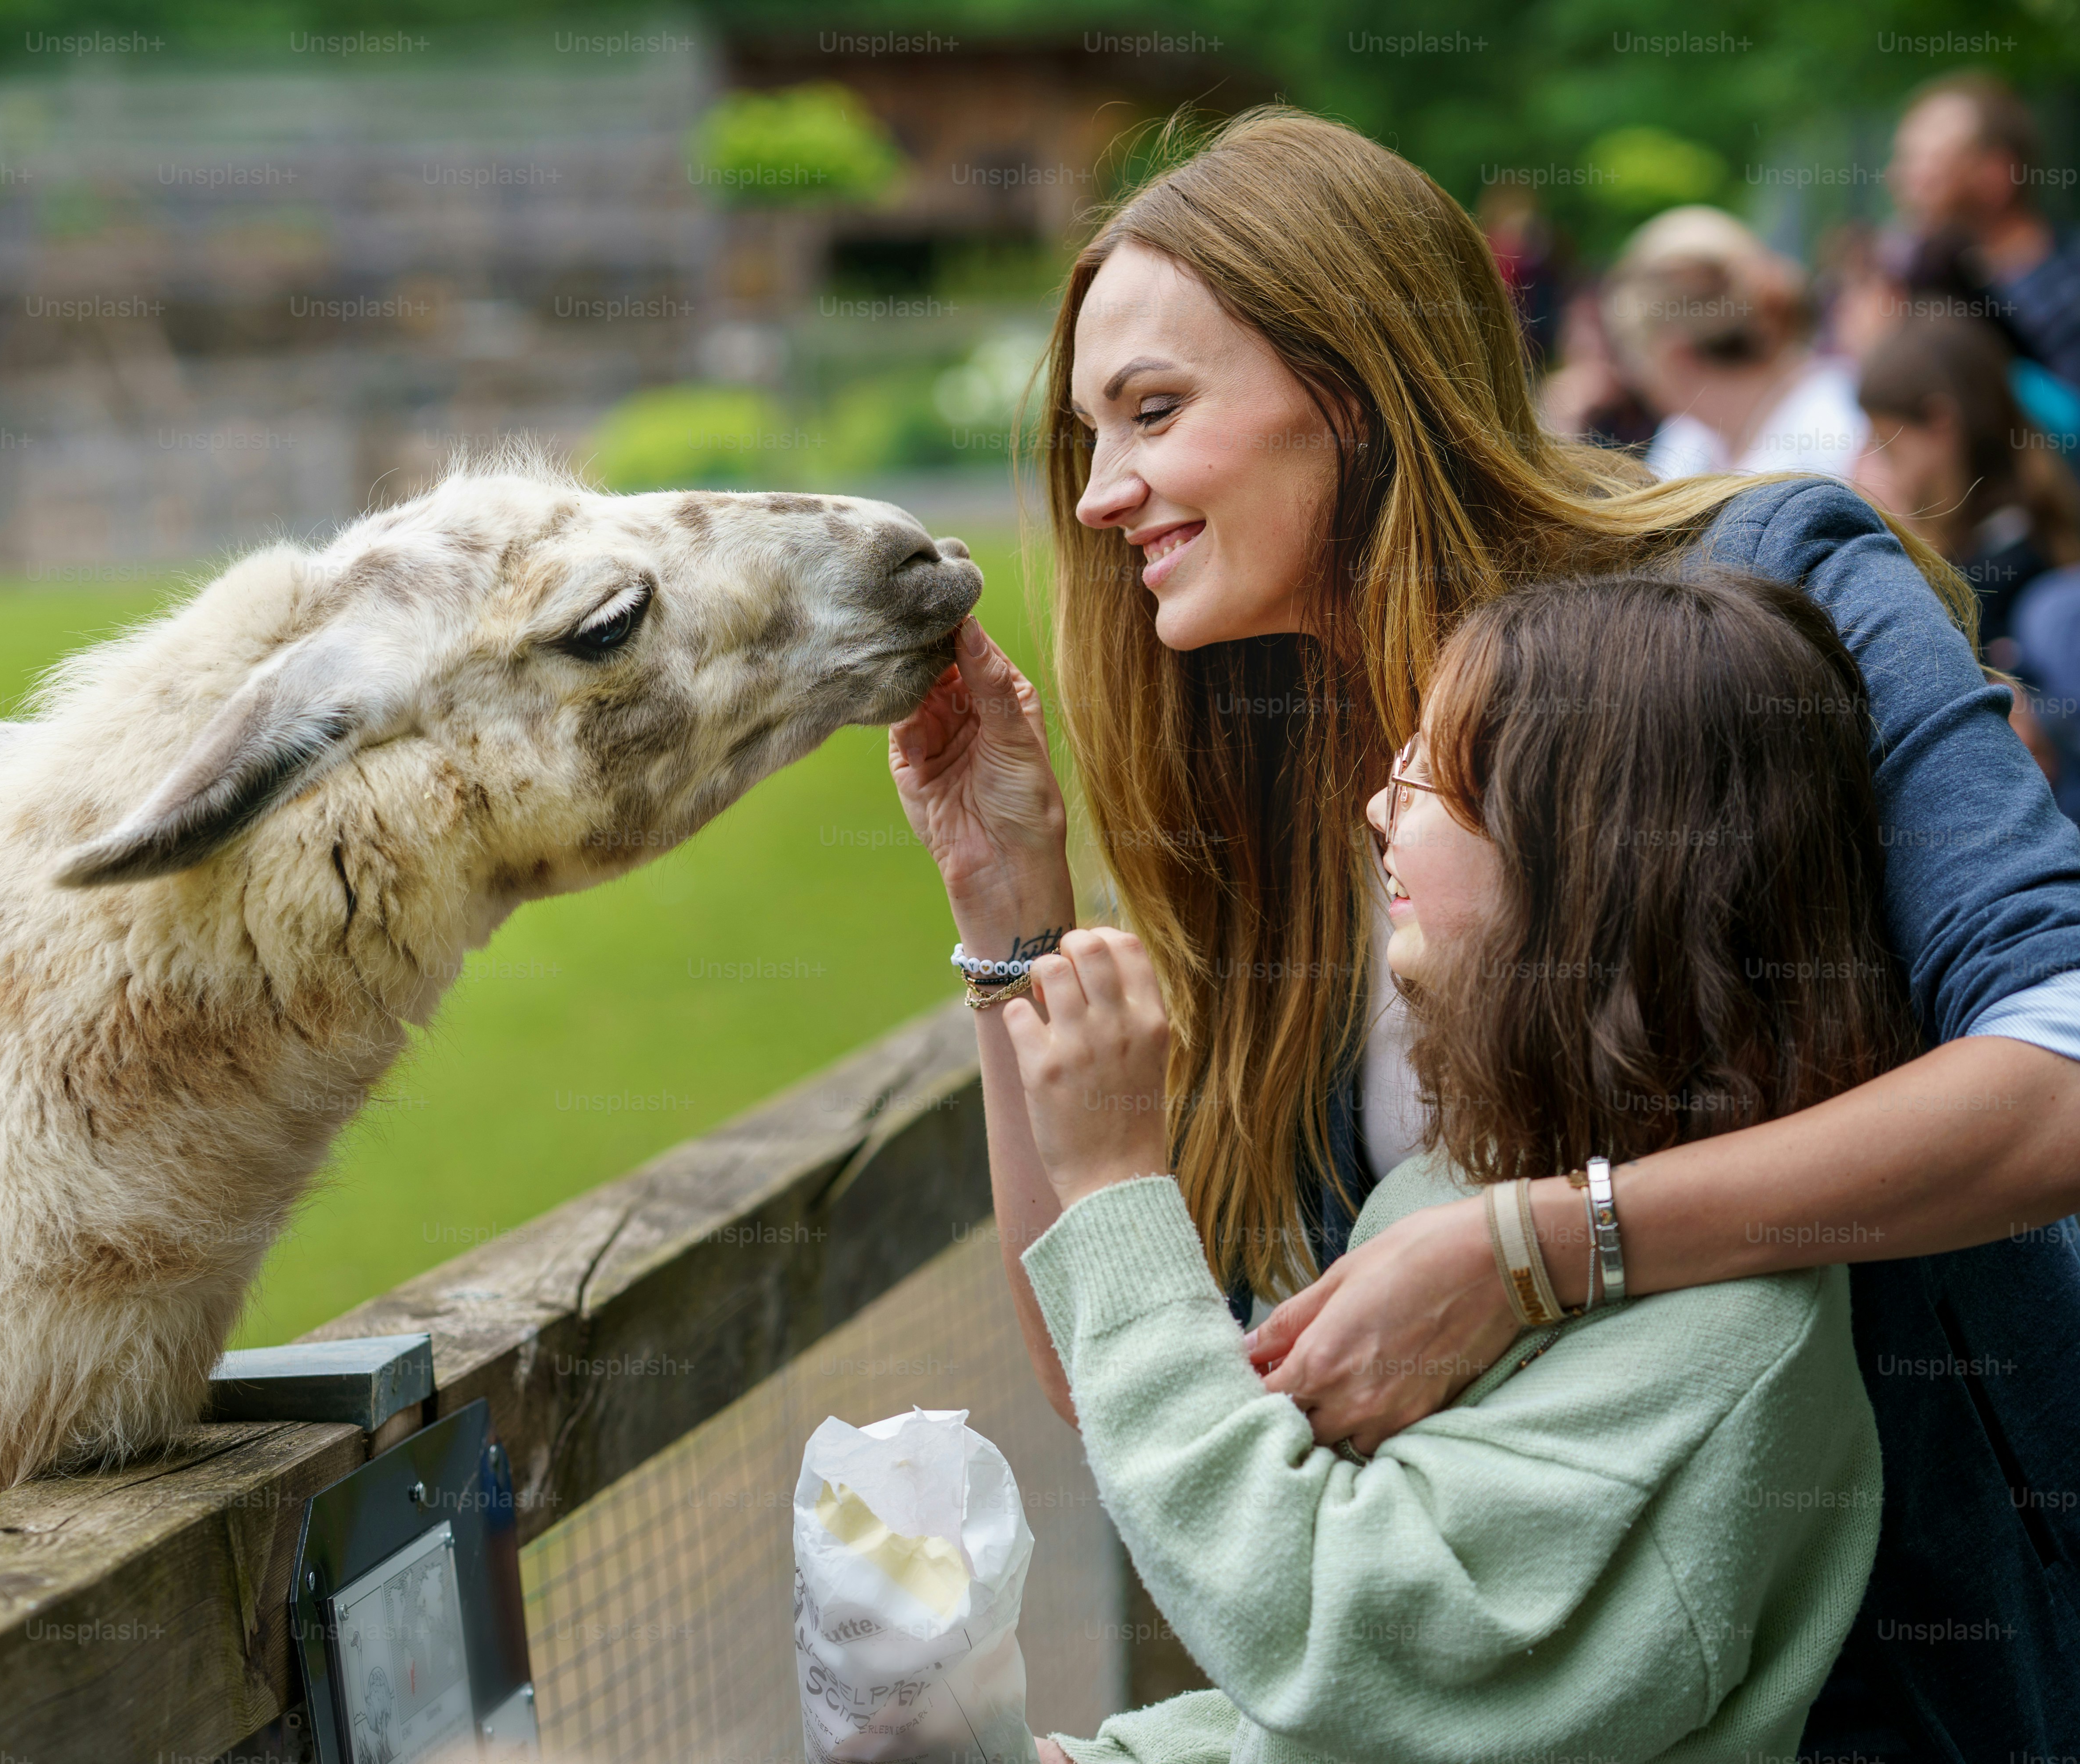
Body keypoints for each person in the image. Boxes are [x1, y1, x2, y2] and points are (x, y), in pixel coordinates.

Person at [887, 106, 2080, 1759]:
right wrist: (1008, 907)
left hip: (1923, 1681)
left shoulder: (1761, 603)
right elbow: (1136, 1372)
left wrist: (1539, 1243)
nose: (1098, 496)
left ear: (1355, 395)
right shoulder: (1296, 801)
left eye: (1153, 411)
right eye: (1087, 434)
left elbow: (2060, 1070)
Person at [1002, 567, 1903, 1761]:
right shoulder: (1467, 1181)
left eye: (1428, 775)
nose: (1379, 806)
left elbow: (1332, 1629)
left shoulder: (1722, 1354)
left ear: (1591, 851)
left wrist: (1118, 1183)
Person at [1850, 314, 2080, 663]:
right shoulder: (2019, 528)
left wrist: (1906, 547)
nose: (1876, 465)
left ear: (1940, 425)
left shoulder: (2001, 571)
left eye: (1888, 446)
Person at [1601, 205, 1867, 480]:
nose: (1632, 378)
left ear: (1676, 357)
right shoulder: (1689, 438)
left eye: (1633, 358)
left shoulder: (1839, 433)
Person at [1887, 71, 2080, 398]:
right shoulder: (1927, 283)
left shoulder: (2068, 292)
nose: (1899, 182)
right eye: (1904, 163)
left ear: (1996, 176)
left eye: (1928, 167)